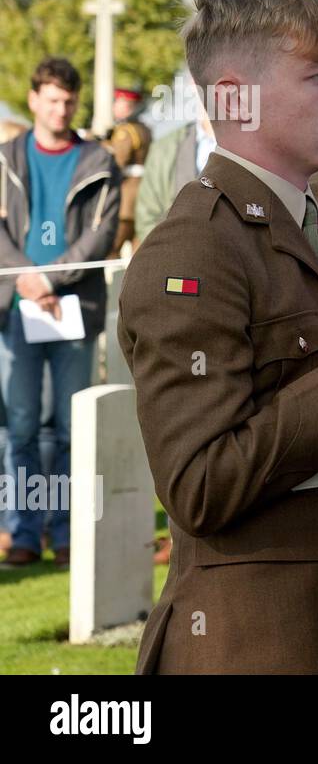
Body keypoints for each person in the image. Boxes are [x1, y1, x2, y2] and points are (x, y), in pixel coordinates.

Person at [118, 0, 318, 672]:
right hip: (258, 642)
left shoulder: (308, 230)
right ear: (233, 98)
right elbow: (199, 483)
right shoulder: (196, 247)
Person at [0, 57, 120, 568]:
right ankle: (23, 533)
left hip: (73, 307)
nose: (60, 107)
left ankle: (69, 532)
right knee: (20, 425)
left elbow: (101, 234)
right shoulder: (6, 157)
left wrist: (48, 279)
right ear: (34, 101)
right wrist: (26, 277)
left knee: (74, 428)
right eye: (51, 98)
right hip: (16, 306)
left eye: (68, 100)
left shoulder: (99, 161)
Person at [134, 110, 216, 244]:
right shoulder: (163, 149)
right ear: (193, 87)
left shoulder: (253, 148)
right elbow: (147, 218)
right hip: (173, 256)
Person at [104, 86, 152, 256]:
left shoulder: (124, 131)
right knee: (139, 252)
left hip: (126, 198)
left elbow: (119, 161)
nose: (114, 107)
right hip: (144, 194)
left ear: (127, 106)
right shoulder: (144, 129)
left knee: (111, 249)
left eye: (118, 103)